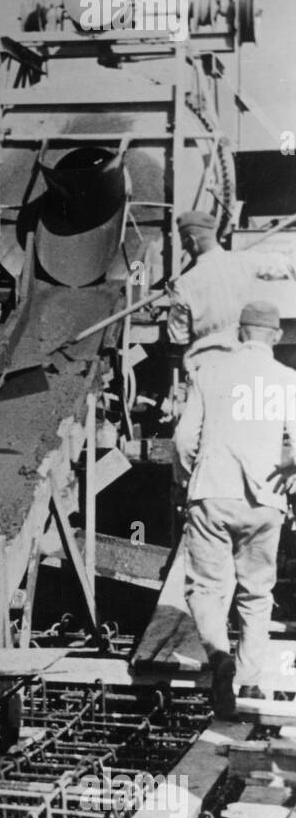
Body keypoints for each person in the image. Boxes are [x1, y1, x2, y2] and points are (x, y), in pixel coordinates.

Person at [174, 301, 296, 717]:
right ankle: (249, 677)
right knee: (258, 593)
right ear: (275, 337)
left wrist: (190, 478)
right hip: (267, 499)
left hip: (213, 491)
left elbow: (184, 439)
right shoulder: (287, 379)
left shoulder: (208, 374)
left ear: (239, 333)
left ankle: (218, 657)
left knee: (205, 588)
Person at [168, 210, 284, 374]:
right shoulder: (245, 260)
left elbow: (179, 337)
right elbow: (286, 266)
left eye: (184, 243)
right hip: (243, 359)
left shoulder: (184, 284)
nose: (184, 247)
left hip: (205, 365)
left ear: (191, 241)